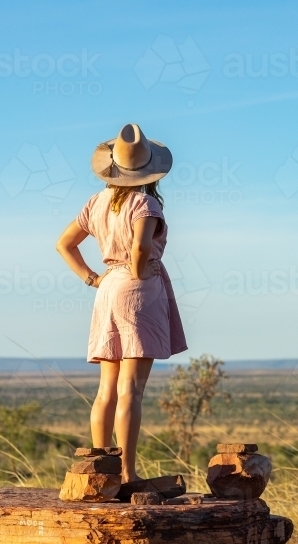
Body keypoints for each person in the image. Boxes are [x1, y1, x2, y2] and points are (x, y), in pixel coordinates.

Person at [56, 123, 187, 483]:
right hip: (137, 288)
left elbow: (64, 244)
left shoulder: (96, 203)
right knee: (132, 388)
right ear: (149, 170)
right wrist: (139, 271)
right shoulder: (145, 203)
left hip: (107, 288)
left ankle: (101, 472)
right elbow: (141, 247)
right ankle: (127, 473)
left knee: (106, 388)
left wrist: (92, 278)